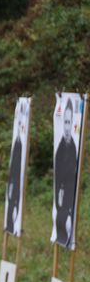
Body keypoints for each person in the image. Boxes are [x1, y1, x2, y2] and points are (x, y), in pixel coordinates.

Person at [53, 98, 79, 249]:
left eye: (70, 123)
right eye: (66, 123)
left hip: (69, 200)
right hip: (60, 198)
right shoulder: (60, 148)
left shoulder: (74, 148)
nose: (68, 128)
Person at [5, 116, 25, 236]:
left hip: (19, 181)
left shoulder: (21, 144)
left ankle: (14, 225)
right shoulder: (16, 144)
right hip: (14, 181)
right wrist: (11, 182)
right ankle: (10, 225)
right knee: (11, 204)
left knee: (16, 205)